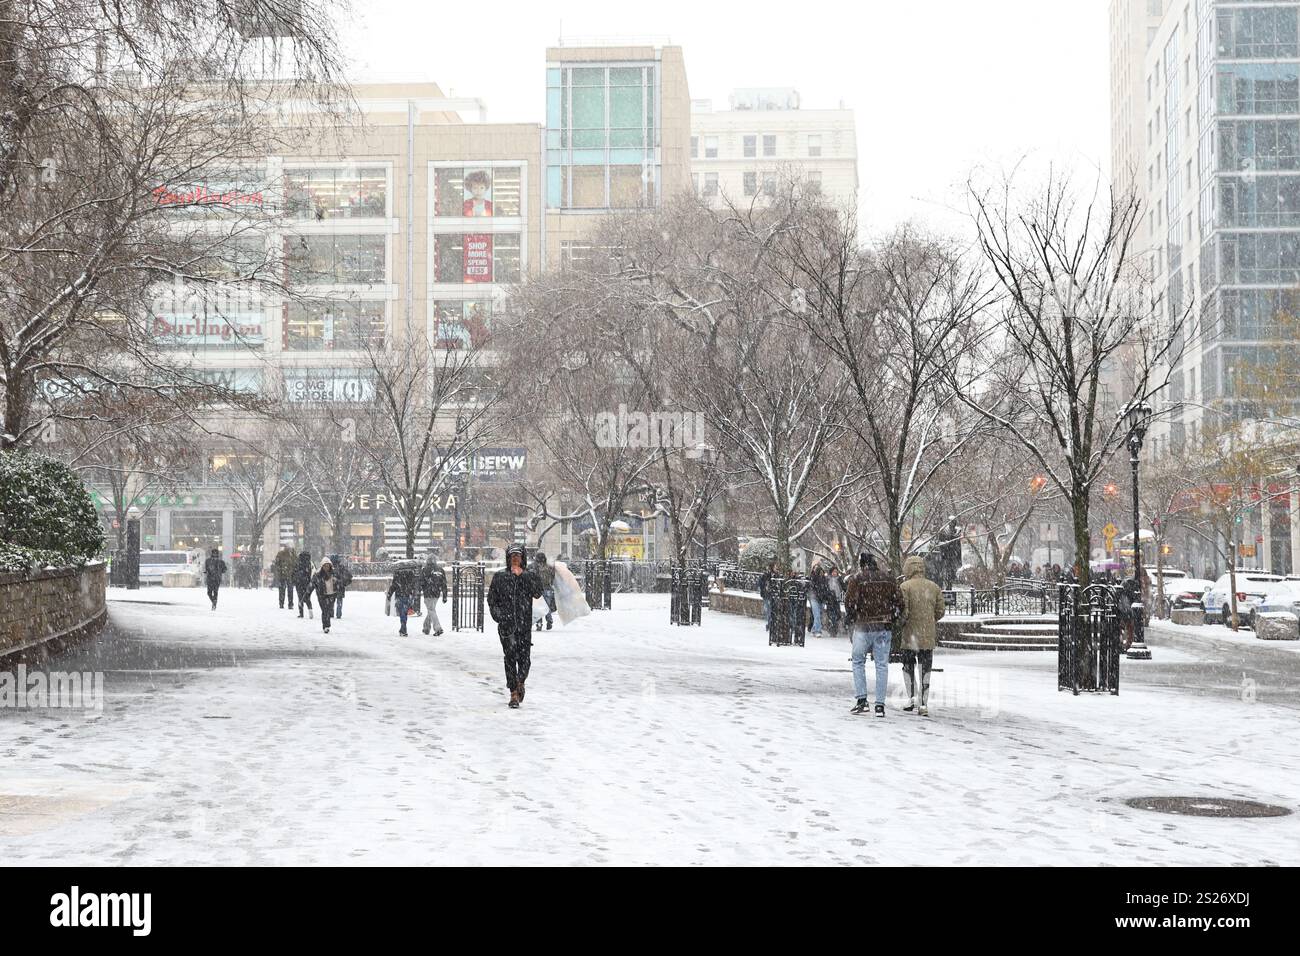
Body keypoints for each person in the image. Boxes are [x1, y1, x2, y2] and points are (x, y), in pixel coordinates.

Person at [843, 551, 904, 717]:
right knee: (882, 665)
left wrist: (854, 615)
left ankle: (862, 699)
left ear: (862, 564)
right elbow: (900, 602)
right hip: (883, 627)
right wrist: (892, 617)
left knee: (858, 661)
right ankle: (880, 705)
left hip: (863, 626)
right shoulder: (889, 579)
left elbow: (849, 602)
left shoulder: (857, 579)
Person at [487, 543, 543, 708]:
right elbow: (492, 600)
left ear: (523, 558)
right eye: (513, 556)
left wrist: (523, 576)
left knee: (525, 659)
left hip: (524, 625)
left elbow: (538, 591)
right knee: (510, 659)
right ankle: (513, 693)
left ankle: (520, 682)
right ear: (508, 559)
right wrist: (500, 617)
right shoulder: (500, 577)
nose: (515, 559)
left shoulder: (530, 575)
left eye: (518, 556)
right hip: (507, 626)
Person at [899, 555, 945, 717]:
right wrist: (929, 620)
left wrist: (903, 623)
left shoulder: (905, 587)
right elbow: (940, 611)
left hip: (909, 635)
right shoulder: (933, 587)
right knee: (925, 669)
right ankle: (923, 703)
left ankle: (911, 697)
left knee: (908, 666)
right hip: (927, 635)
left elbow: (903, 612)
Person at [386, 559, 421, 637]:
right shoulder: (411, 573)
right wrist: (413, 592)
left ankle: (403, 628)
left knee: (402, 612)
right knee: (404, 612)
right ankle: (403, 628)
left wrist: (389, 594)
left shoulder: (397, 574)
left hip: (399, 595)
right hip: (407, 595)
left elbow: (394, 585)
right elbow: (414, 585)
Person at [418, 552, 447, 636]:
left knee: (431, 610)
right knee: (431, 610)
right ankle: (426, 628)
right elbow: (444, 584)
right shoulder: (441, 570)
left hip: (428, 594)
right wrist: (444, 596)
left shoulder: (425, 570)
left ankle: (438, 628)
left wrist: (419, 591)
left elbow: (421, 582)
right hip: (436, 594)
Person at [312, 558, 339, 634]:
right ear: (322, 566)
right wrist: (307, 595)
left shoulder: (334, 574)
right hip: (322, 595)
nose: (326, 567)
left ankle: (327, 624)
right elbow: (311, 585)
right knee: (325, 610)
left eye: (328, 566)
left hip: (332, 595)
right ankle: (326, 626)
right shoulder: (318, 575)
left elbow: (342, 581)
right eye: (325, 566)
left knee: (329, 610)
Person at [531, 552, 557, 630]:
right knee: (547, 607)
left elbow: (533, 578)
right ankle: (549, 621)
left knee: (539, 608)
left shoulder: (535, 567)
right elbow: (553, 577)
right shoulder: (549, 567)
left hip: (538, 590)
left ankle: (539, 624)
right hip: (548, 589)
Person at [809, 563, 833, 637]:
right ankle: (817, 631)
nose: (821, 573)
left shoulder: (825, 579)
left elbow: (826, 588)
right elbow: (812, 586)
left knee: (819, 615)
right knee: (817, 615)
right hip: (814, 598)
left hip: (822, 599)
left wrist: (826, 596)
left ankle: (814, 629)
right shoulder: (813, 577)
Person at [329, 554, 353, 619]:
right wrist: (342, 582)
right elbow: (349, 576)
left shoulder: (330, 568)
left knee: (331, 601)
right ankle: (338, 614)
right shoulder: (342, 567)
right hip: (340, 587)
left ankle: (331, 613)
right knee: (339, 601)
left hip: (332, 588)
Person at [273, 545, 296, 609]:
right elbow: (277, 564)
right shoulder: (281, 554)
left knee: (289, 590)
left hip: (290, 576)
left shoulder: (293, 554)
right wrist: (279, 572)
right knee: (283, 590)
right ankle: (282, 603)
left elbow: (295, 564)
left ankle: (289, 604)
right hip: (283, 575)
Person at [293, 551, 314, 619]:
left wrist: (294, 580)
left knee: (300, 598)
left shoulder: (298, 563)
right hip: (307, 582)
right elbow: (311, 573)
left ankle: (301, 613)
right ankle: (310, 610)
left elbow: (294, 572)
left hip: (299, 583)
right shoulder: (309, 563)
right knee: (307, 597)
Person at [826, 566, 844, 635]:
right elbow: (825, 587)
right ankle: (833, 629)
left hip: (837, 598)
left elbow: (843, 586)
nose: (835, 573)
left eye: (836, 572)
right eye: (833, 572)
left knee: (837, 614)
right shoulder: (827, 579)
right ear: (831, 572)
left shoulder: (839, 579)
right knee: (831, 614)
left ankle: (833, 627)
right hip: (829, 599)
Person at [758, 560, 777, 627]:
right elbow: (761, 583)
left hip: (772, 595)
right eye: (775, 567)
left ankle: (770, 623)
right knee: (767, 609)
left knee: (770, 610)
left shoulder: (776, 575)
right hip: (767, 595)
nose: (776, 568)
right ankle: (769, 622)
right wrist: (763, 590)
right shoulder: (766, 575)